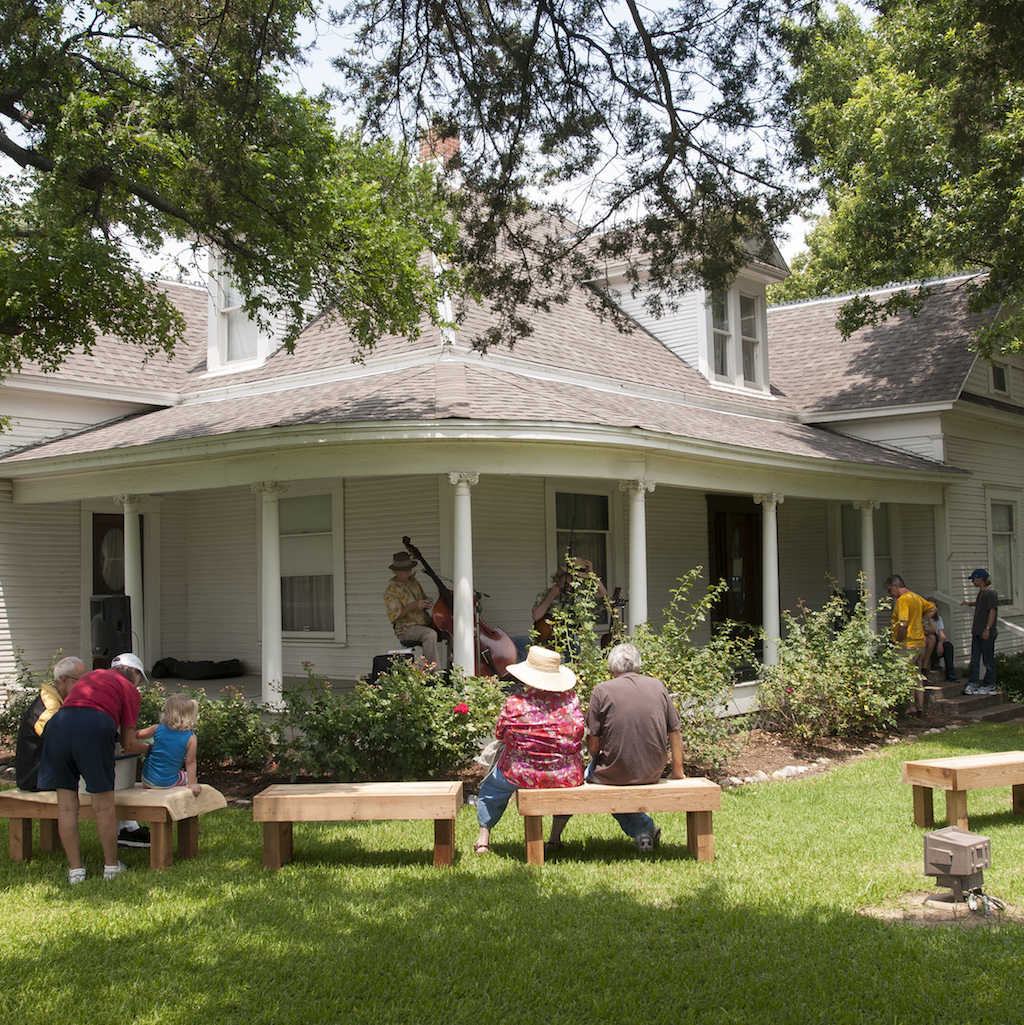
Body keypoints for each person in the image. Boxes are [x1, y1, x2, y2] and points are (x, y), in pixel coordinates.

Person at [546, 643, 683, 854]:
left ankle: (554, 839)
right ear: (638, 666)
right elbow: (675, 732)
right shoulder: (658, 686)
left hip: (614, 771)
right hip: (653, 770)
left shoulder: (602, 690)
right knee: (612, 778)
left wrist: (596, 757)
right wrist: (677, 772)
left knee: (578, 780)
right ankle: (644, 830)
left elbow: (593, 741)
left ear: (611, 670)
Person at [36, 652, 154, 883]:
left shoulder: (94, 676)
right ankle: (111, 866)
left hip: (59, 726)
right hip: (93, 727)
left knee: (67, 807)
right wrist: (151, 749)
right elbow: (129, 744)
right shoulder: (129, 690)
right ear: (135, 674)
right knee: (103, 805)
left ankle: (76, 871)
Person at [473, 646, 584, 854]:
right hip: (564, 775)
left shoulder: (515, 704)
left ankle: (483, 839)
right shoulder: (571, 702)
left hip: (520, 773)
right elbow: (579, 734)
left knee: (492, 786)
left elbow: (500, 734)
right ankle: (554, 839)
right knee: (566, 788)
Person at [14, 656, 86, 791]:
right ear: (64, 680)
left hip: (45, 775)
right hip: (36, 779)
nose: (85, 685)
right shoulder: (48, 708)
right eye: (81, 680)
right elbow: (59, 739)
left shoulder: (58, 700)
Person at [531, 556, 608, 658]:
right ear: (557, 581)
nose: (568, 588)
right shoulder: (545, 594)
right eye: (566, 584)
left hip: (571, 637)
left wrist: (592, 574)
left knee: (575, 642)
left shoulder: (579, 593)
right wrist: (551, 596)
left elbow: (602, 593)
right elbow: (536, 616)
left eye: (571, 585)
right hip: (549, 638)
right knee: (519, 642)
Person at [883, 575, 936, 714]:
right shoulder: (915, 597)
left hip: (908, 644)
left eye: (890, 590)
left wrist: (898, 641)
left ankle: (911, 707)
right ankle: (920, 706)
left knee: (906, 677)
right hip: (920, 643)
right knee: (917, 676)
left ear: (896, 586)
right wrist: (920, 622)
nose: (890, 594)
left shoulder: (903, 600)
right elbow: (932, 609)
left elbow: (903, 623)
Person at [383, 551, 442, 668]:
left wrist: (426, 603)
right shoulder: (391, 592)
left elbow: (423, 597)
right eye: (405, 570)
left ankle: (453, 671)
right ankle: (433, 674)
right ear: (396, 571)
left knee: (449, 629)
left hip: (424, 623)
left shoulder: (413, 582)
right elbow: (394, 617)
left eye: (410, 569)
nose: (409, 572)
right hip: (405, 628)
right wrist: (413, 606)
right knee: (430, 635)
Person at [138, 694, 202, 796]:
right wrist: (192, 783)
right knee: (184, 775)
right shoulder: (191, 738)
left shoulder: (157, 728)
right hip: (167, 783)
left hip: (147, 779)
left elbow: (137, 735)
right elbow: (190, 762)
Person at [963, 568, 999, 695]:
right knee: (974, 659)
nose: (972, 581)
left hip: (986, 632)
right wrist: (970, 604)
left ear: (980, 579)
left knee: (988, 660)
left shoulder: (991, 593)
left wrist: (987, 629)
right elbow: (980, 604)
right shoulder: (982, 593)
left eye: (974, 579)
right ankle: (973, 683)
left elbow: (992, 611)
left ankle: (989, 684)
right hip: (977, 631)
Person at [925, 599, 959, 683]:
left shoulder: (938, 619)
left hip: (936, 647)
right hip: (926, 646)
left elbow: (942, 635)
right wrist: (929, 618)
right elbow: (932, 630)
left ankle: (950, 674)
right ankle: (934, 663)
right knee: (934, 636)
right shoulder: (922, 619)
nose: (932, 609)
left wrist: (940, 643)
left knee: (948, 646)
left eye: (934, 607)